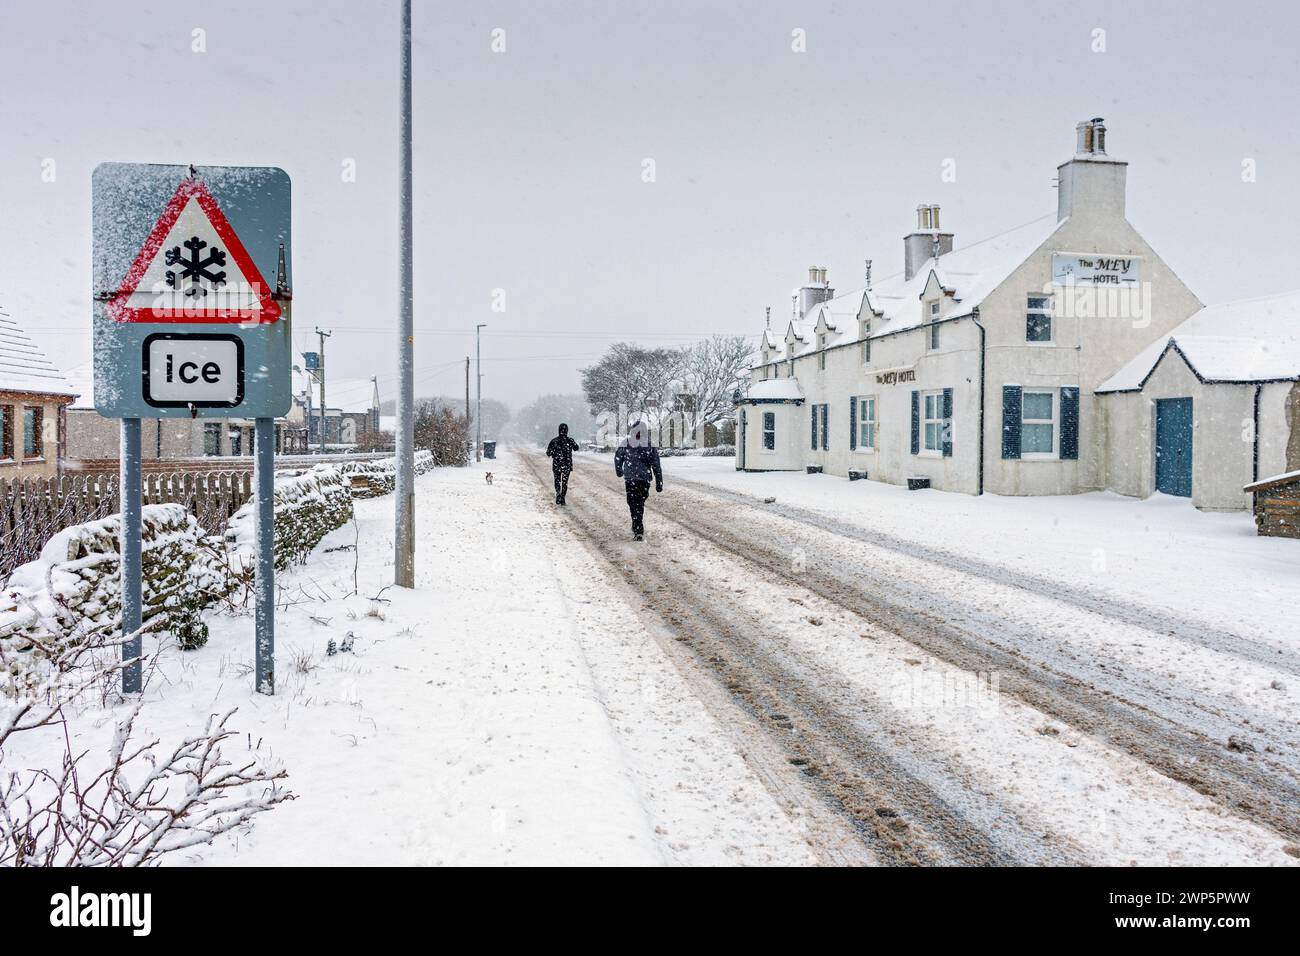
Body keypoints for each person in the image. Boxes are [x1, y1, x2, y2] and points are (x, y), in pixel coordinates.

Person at [613, 419, 662, 540]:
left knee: (632, 502)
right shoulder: (648, 444)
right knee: (639, 502)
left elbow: (618, 457)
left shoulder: (628, 442)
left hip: (631, 479)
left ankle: (637, 524)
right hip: (643, 479)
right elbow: (656, 464)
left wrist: (619, 470)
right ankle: (638, 525)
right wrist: (659, 481)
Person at [545, 423, 579, 505]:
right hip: (567, 464)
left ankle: (558, 493)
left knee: (557, 480)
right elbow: (576, 448)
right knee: (564, 482)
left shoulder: (554, 441)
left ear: (559, 430)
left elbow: (548, 453)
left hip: (557, 463)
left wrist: (553, 453)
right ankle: (563, 497)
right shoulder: (570, 440)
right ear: (567, 431)